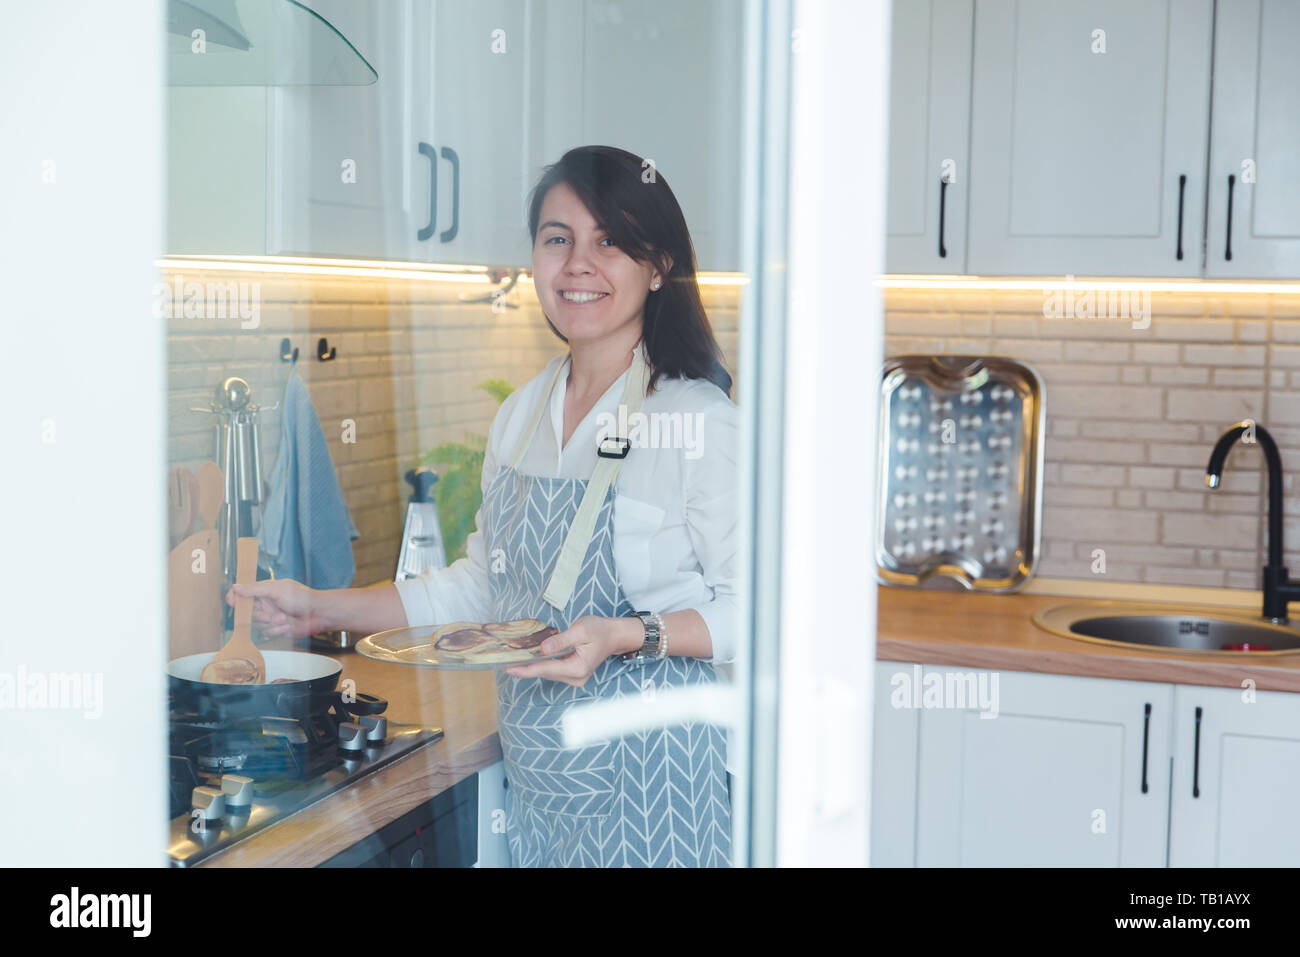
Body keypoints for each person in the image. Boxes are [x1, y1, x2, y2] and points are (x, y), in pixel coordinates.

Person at [229, 145, 738, 867]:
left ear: (657, 266)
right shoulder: (522, 416)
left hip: (657, 793)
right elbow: (478, 588)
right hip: (543, 784)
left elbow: (758, 613)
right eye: (558, 239)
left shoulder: (697, 420)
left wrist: (627, 634)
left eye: (609, 242)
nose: (578, 264)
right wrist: (320, 608)